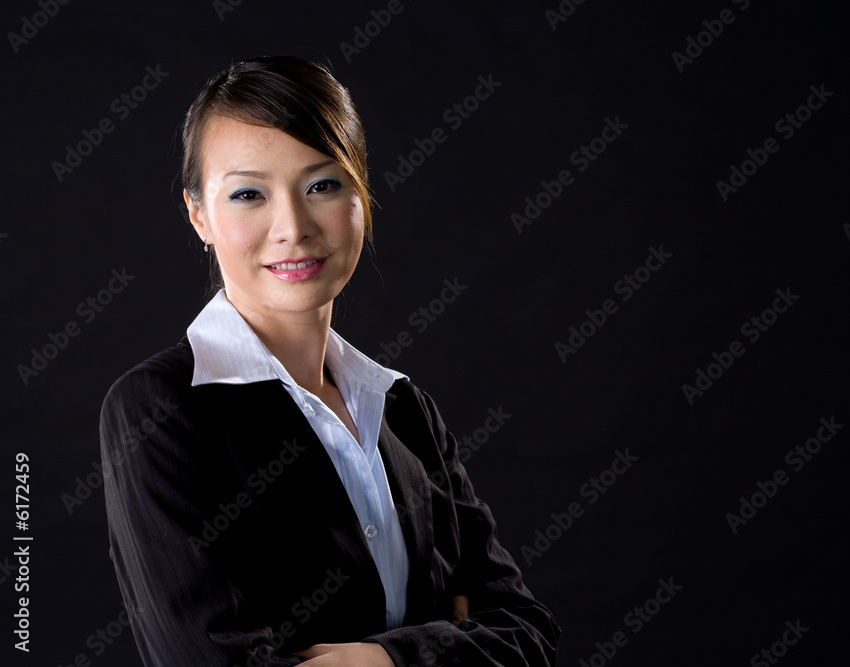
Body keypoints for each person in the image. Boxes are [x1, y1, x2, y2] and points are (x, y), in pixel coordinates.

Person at [99, 55, 560, 666]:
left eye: (321, 184)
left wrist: (379, 661)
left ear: (361, 194)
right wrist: (452, 643)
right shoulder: (159, 409)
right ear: (198, 214)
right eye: (247, 194)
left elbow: (527, 631)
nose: (291, 227)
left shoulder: (404, 410)